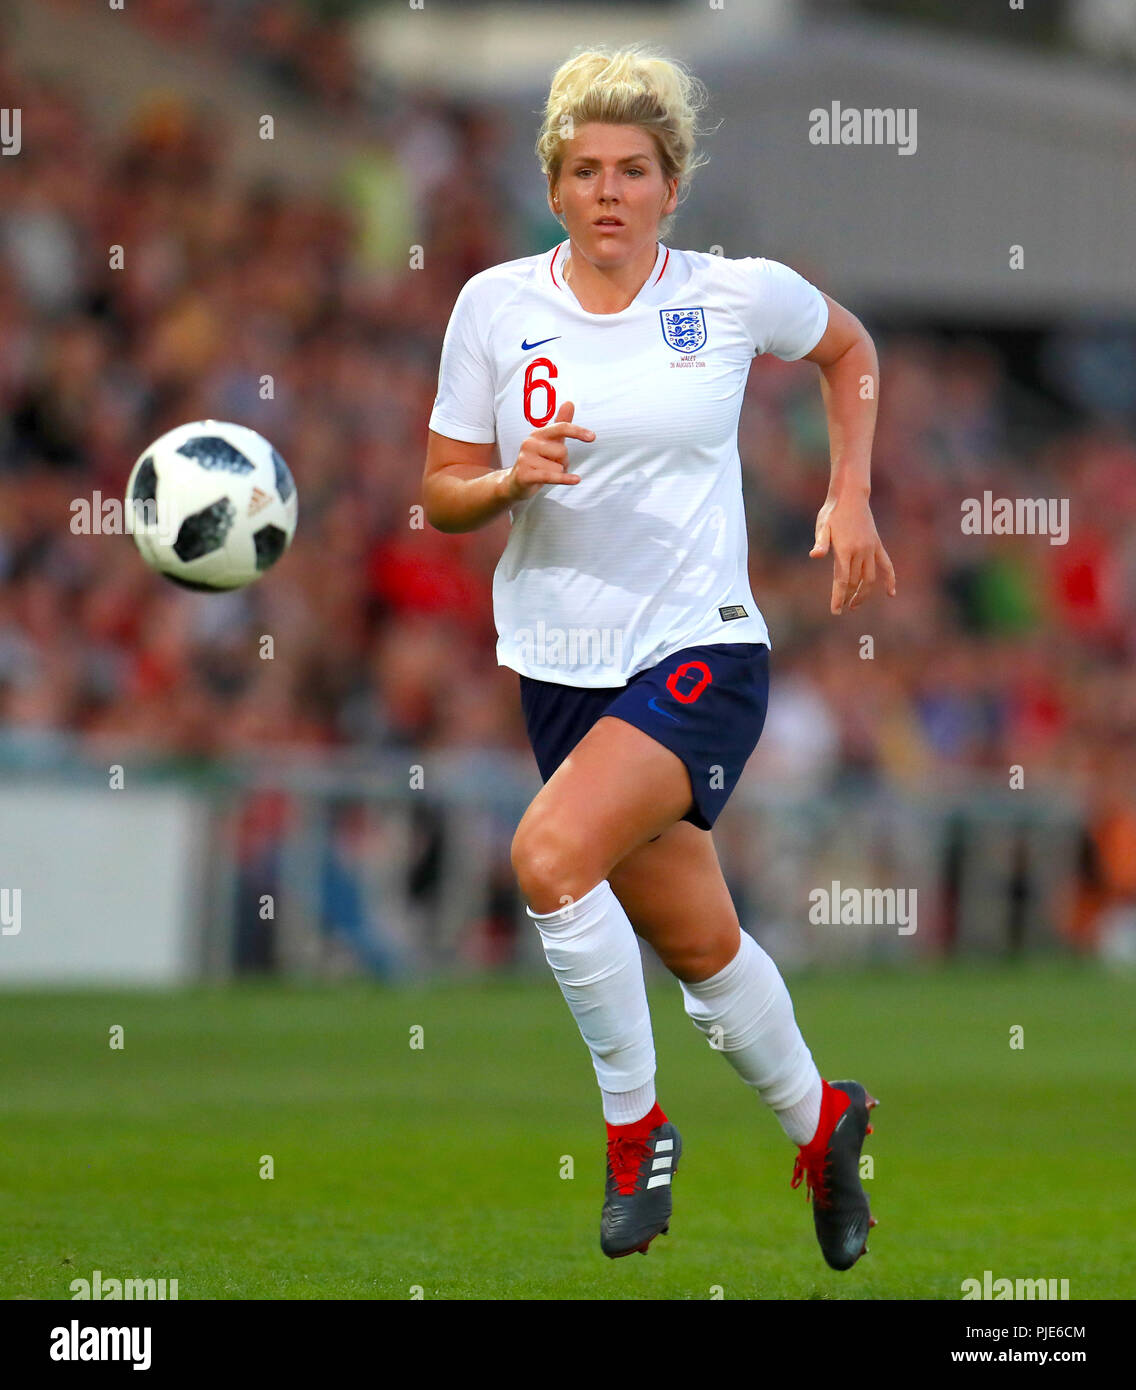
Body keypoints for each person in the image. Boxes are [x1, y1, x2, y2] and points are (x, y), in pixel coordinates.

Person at [421, 43, 895, 1269]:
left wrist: (850, 494)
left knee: (546, 853)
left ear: (670, 186)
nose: (608, 192)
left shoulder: (733, 295)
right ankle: (822, 1121)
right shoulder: (493, 307)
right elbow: (438, 496)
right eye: (584, 171)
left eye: (633, 169)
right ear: (553, 185)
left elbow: (849, 350)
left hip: (701, 653)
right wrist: (502, 479)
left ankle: (633, 1133)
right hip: (557, 668)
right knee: (698, 946)